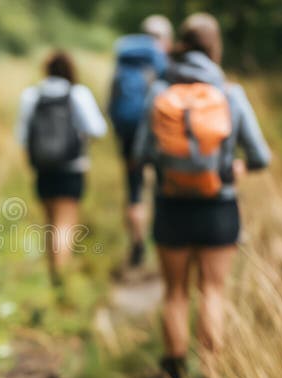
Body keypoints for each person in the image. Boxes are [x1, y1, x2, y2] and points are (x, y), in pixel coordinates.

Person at [132, 13, 271, 378]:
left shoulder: (160, 92)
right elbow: (260, 156)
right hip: (219, 205)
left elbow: (141, 152)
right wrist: (235, 168)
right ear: (215, 48)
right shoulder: (230, 93)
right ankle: (210, 376)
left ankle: (175, 369)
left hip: (170, 203)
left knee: (175, 292)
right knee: (212, 289)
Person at [16, 51, 107, 288]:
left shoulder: (32, 95)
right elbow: (98, 129)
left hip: (43, 169)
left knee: (49, 223)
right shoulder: (77, 93)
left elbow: (23, 137)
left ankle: (52, 271)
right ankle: (61, 277)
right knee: (65, 224)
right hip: (72, 167)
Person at [108, 15, 173, 267]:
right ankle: (163, 245)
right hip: (159, 135)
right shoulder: (162, 62)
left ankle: (137, 243)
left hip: (128, 133)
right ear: (166, 38)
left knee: (134, 191)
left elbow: (111, 101)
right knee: (163, 188)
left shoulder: (124, 59)